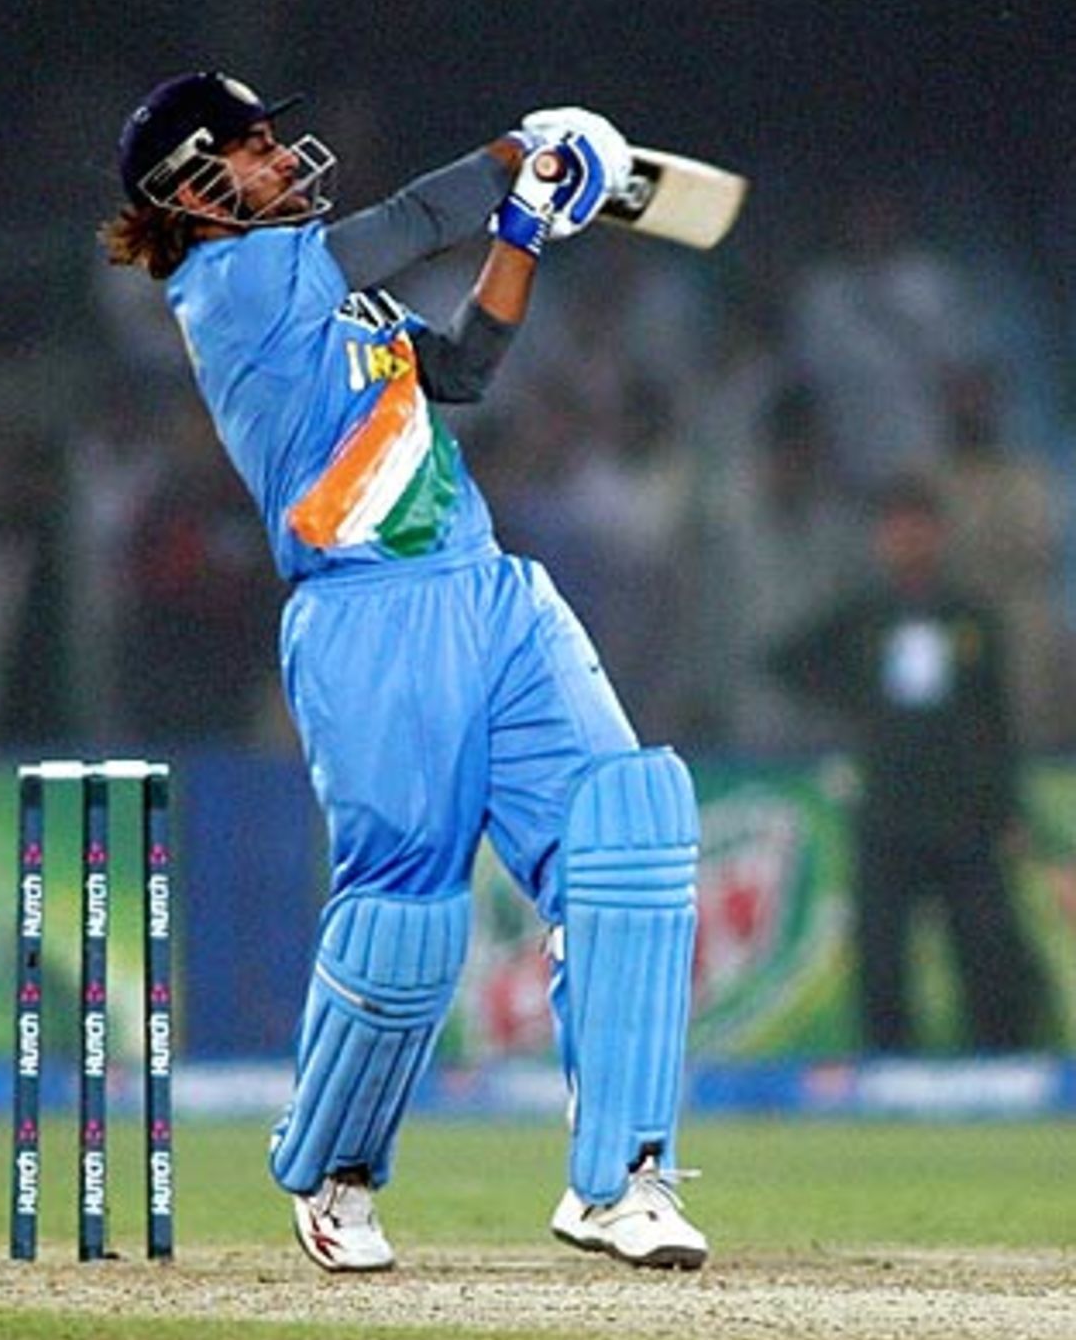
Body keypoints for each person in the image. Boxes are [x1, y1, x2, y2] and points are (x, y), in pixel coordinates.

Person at [101, 71, 708, 1275]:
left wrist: (526, 227)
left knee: (630, 837)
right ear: (192, 187)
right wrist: (521, 151)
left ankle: (623, 1180)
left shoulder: (334, 297)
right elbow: (417, 220)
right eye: (254, 145)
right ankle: (335, 1173)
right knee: (405, 916)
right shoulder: (228, 286)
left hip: (491, 591)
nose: (283, 156)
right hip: (366, 617)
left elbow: (467, 368)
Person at [768, 472, 1048, 1054]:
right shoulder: (865, 615)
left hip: (963, 810)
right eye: (897, 530)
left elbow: (996, 721)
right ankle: (886, 1058)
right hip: (890, 809)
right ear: (881, 538)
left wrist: (1006, 807)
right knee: (881, 946)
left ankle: (999, 1053)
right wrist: (858, 701)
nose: (908, 541)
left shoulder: (969, 617)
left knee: (985, 942)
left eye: (918, 528)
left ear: (938, 534)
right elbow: (785, 659)